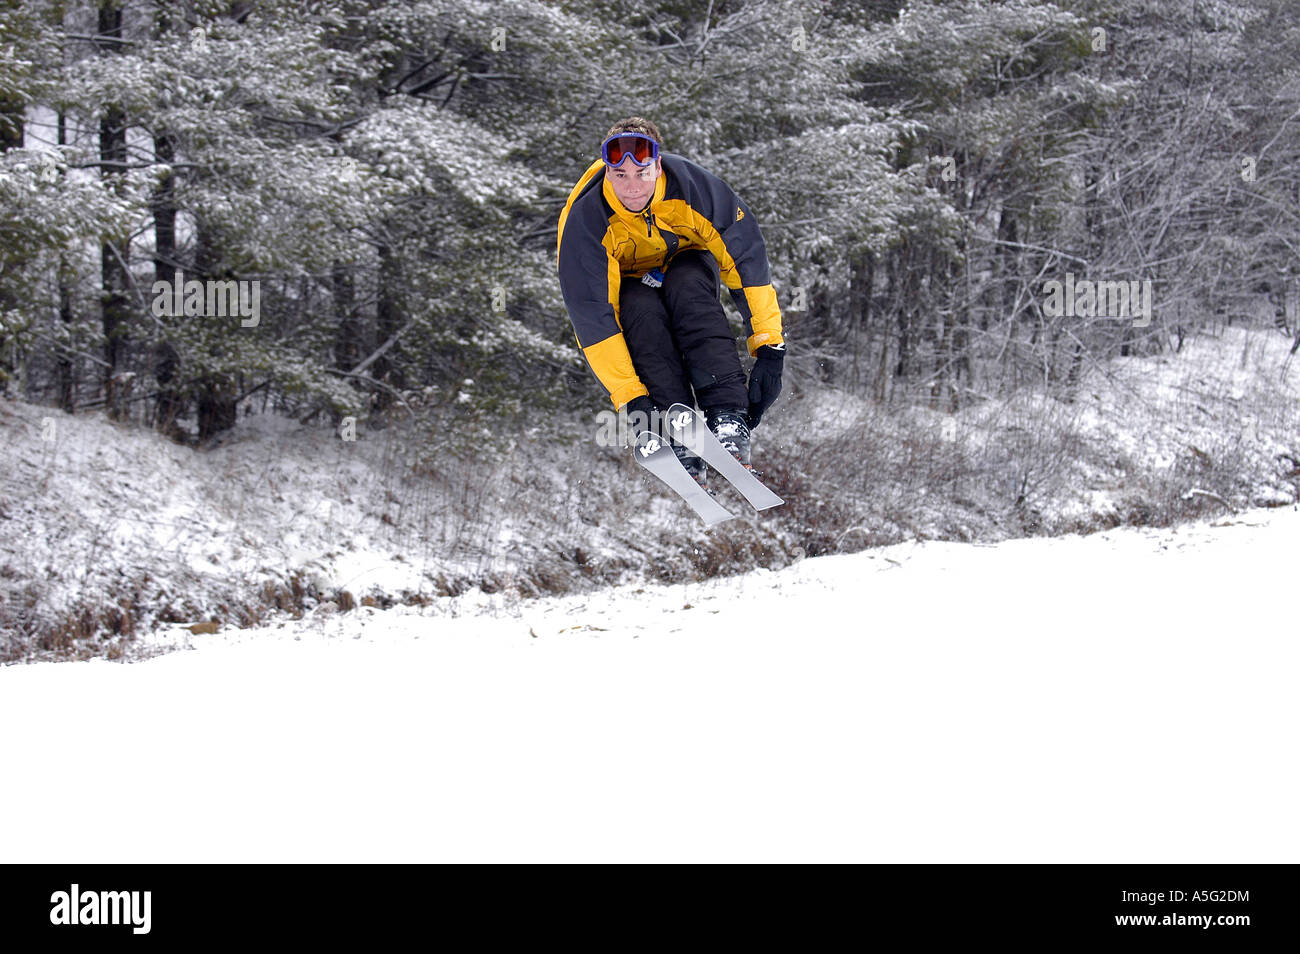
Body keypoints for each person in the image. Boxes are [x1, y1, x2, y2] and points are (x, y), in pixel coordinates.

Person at [556, 117, 785, 485]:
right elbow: (594, 321)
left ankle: (726, 414)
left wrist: (769, 348)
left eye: (641, 173)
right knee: (638, 310)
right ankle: (674, 425)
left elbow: (747, 265)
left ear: (657, 166)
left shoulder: (695, 190)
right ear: (607, 173)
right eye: (620, 176)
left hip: (684, 263)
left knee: (689, 286)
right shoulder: (586, 223)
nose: (631, 187)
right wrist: (632, 399)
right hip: (628, 285)